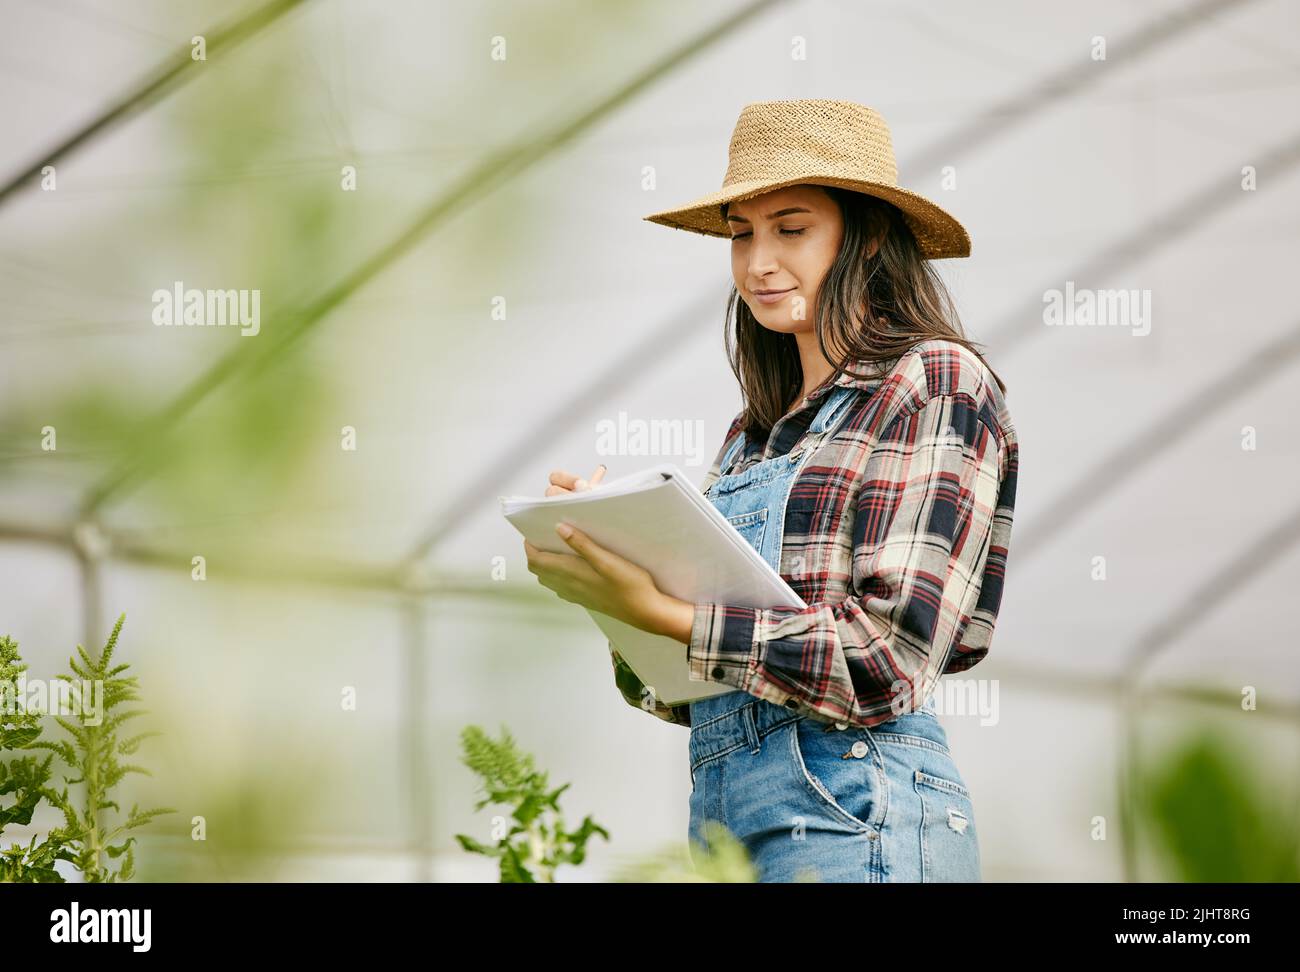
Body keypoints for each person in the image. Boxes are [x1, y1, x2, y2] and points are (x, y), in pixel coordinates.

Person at [524, 99, 1019, 883]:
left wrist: (667, 613)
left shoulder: (933, 383)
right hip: (729, 830)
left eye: (791, 229)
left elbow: (887, 661)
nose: (758, 262)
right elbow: (691, 695)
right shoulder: (752, 436)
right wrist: (613, 579)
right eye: (741, 233)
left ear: (869, 236)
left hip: (860, 816)